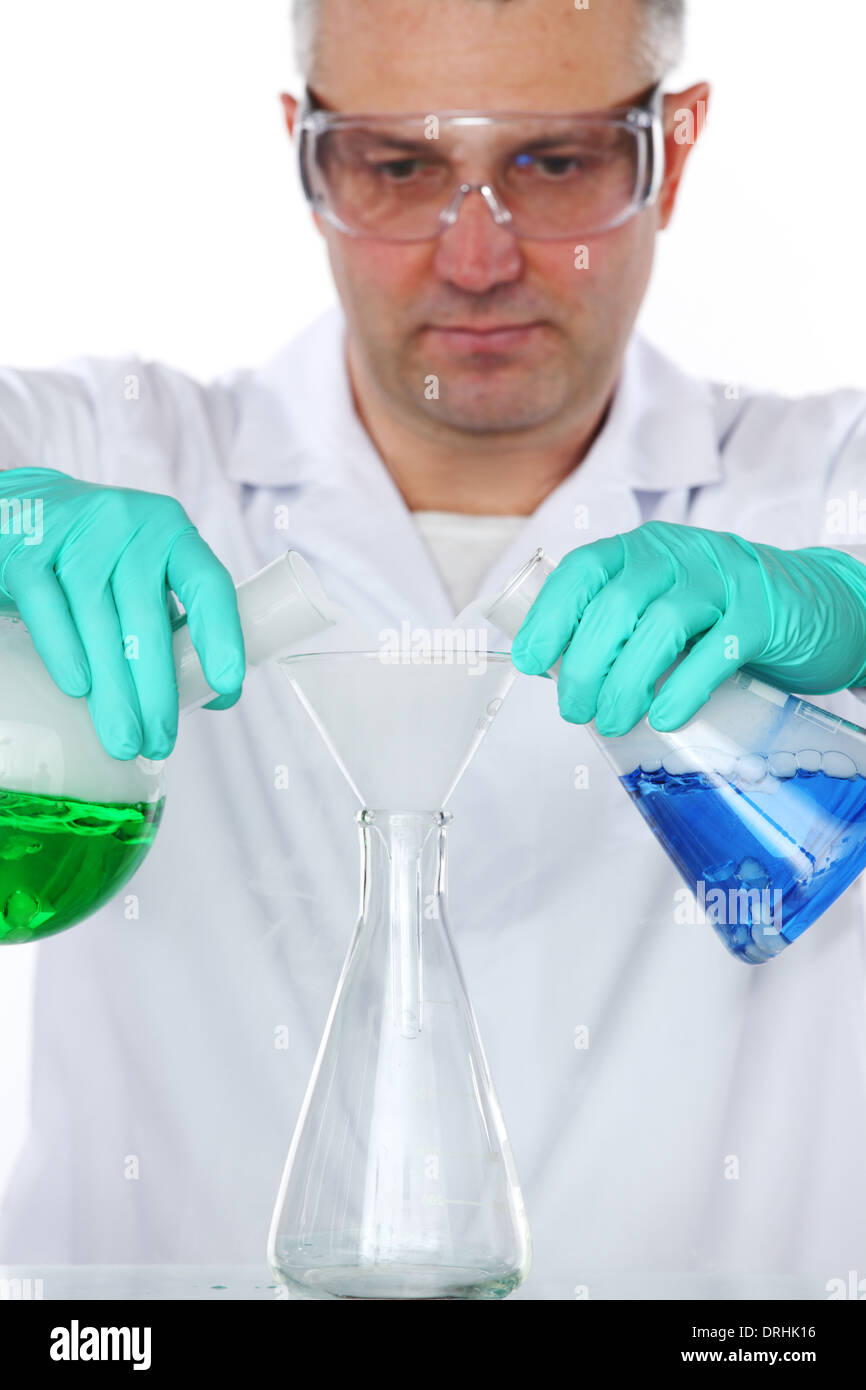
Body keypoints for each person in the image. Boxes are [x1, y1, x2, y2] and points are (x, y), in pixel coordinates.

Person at [1, 0, 865, 1299]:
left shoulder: (811, 485)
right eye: (398, 168)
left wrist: (838, 601)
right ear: (308, 158)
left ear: (668, 153)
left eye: (553, 163)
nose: (474, 257)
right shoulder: (119, 453)